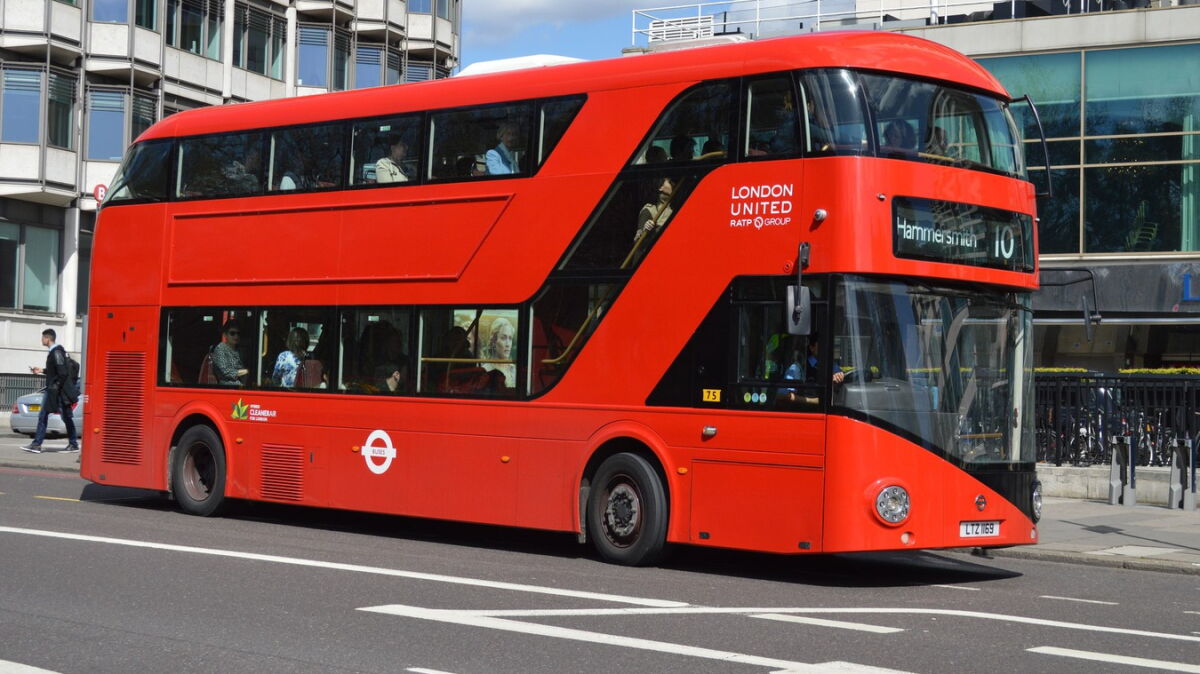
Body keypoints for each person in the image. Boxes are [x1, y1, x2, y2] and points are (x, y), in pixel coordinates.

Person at [22, 329, 78, 453]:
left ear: (47, 339)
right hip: (55, 389)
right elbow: (56, 370)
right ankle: (73, 443)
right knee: (62, 417)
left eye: (42, 338)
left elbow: (62, 373)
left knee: (47, 416)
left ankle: (37, 444)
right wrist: (42, 370)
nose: (42, 340)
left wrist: (55, 387)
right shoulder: (55, 352)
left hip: (55, 390)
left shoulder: (56, 352)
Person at [635, 177, 674, 241]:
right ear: (660, 188)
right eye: (670, 182)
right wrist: (645, 230)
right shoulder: (649, 210)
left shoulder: (676, 205)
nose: (673, 184)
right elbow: (637, 239)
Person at [212, 320, 248, 386]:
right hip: (227, 387)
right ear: (225, 335)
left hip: (242, 386)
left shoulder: (240, 350)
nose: (236, 336)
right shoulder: (220, 349)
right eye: (232, 333)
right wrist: (246, 371)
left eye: (238, 333)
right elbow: (226, 372)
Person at [482, 317, 516, 386]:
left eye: (510, 338)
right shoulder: (486, 370)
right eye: (503, 338)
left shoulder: (514, 370)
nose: (508, 344)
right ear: (494, 341)